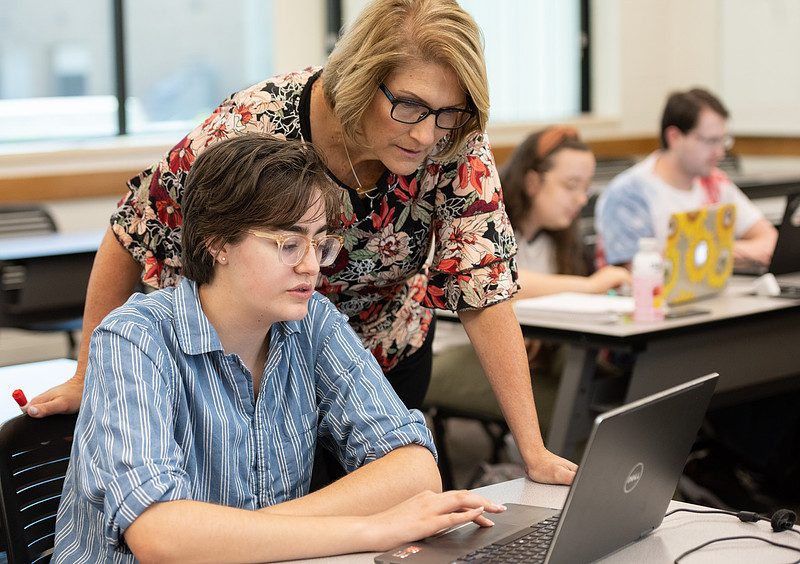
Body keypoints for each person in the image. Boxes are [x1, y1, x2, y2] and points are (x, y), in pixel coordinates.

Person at [29, 0, 576, 485]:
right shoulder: (252, 128)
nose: (427, 134)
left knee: (380, 512)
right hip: (248, 360)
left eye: (448, 114)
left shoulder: (452, 142)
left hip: (377, 355)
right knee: (263, 515)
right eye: (409, 107)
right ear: (361, 78)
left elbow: (485, 286)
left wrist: (533, 449)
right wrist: (87, 374)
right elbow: (133, 229)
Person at [52, 134, 507, 563]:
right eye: (289, 244)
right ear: (217, 243)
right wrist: (372, 528)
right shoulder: (135, 338)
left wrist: (227, 536)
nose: (311, 266)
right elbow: (161, 537)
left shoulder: (313, 323)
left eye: (320, 243)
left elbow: (414, 470)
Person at [428, 126, 631, 455]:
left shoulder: (555, 243)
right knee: (575, 411)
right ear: (533, 181)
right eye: (570, 186)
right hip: (453, 350)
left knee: (607, 392)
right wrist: (590, 286)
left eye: (585, 188)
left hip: (526, 354)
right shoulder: (479, 221)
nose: (581, 200)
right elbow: (497, 284)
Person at [595, 87, 777, 269]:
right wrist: (720, 254)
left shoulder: (715, 182)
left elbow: (769, 241)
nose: (720, 152)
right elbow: (639, 271)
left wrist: (715, 252)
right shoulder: (629, 193)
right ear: (674, 137)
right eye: (711, 141)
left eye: (723, 141)